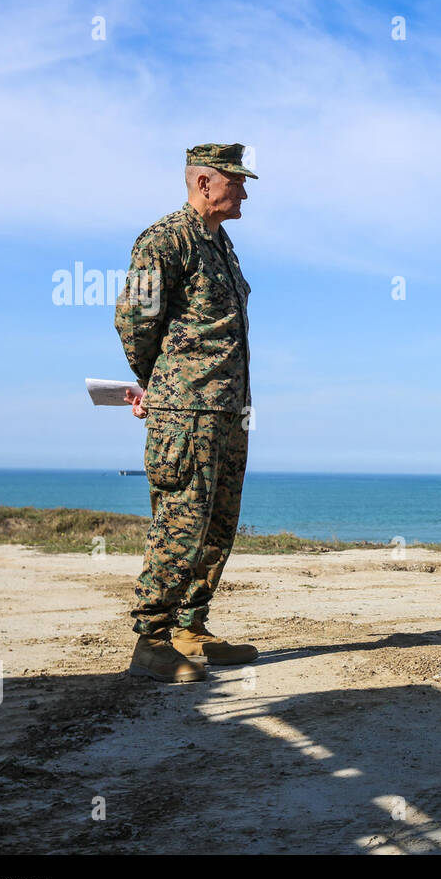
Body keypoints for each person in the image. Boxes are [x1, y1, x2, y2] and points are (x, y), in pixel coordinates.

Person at [114, 143, 260, 682]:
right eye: (236, 182)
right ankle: (151, 639)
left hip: (227, 409)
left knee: (219, 523)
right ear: (204, 183)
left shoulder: (222, 245)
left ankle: (190, 628)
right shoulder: (165, 239)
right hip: (187, 410)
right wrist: (158, 383)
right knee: (180, 523)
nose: (243, 192)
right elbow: (135, 321)